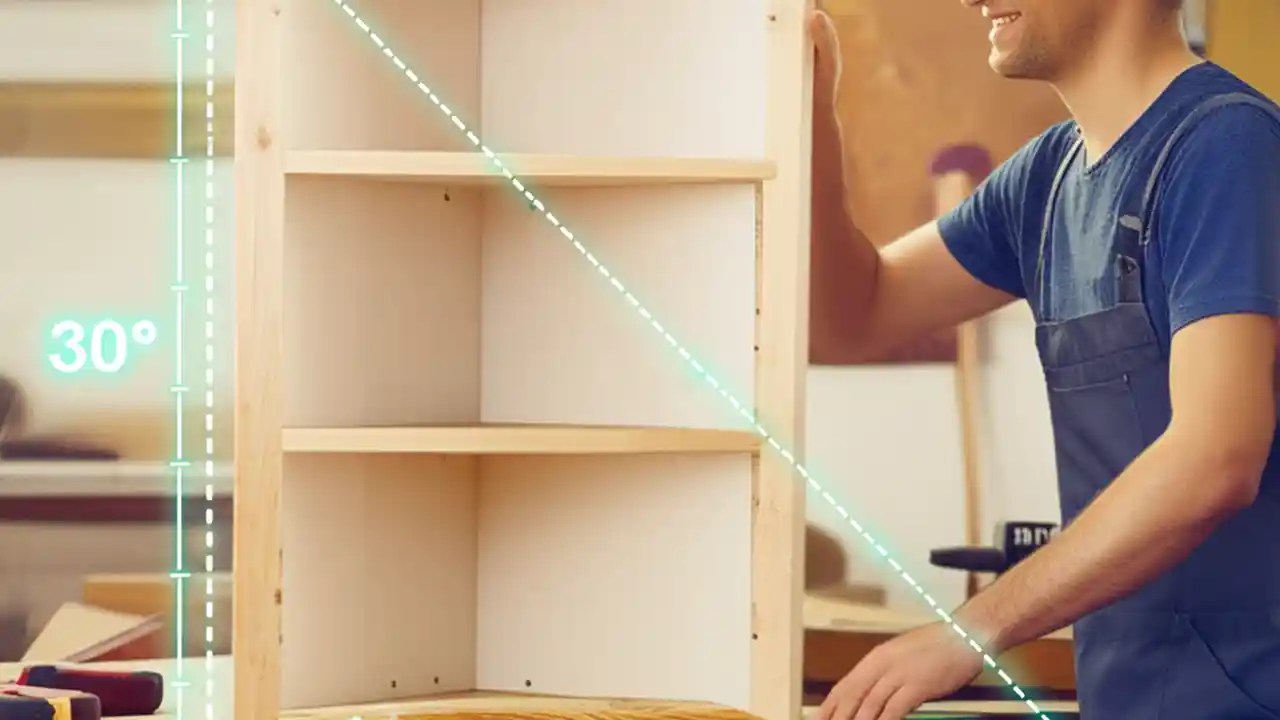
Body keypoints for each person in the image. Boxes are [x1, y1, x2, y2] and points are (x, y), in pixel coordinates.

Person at [808, 0, 1280, 718]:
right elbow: (850, 320)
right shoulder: (1046, 180)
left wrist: (972, 629)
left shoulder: (1227, 148)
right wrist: (813, 111)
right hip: (1127, 697)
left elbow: (1214, 458)